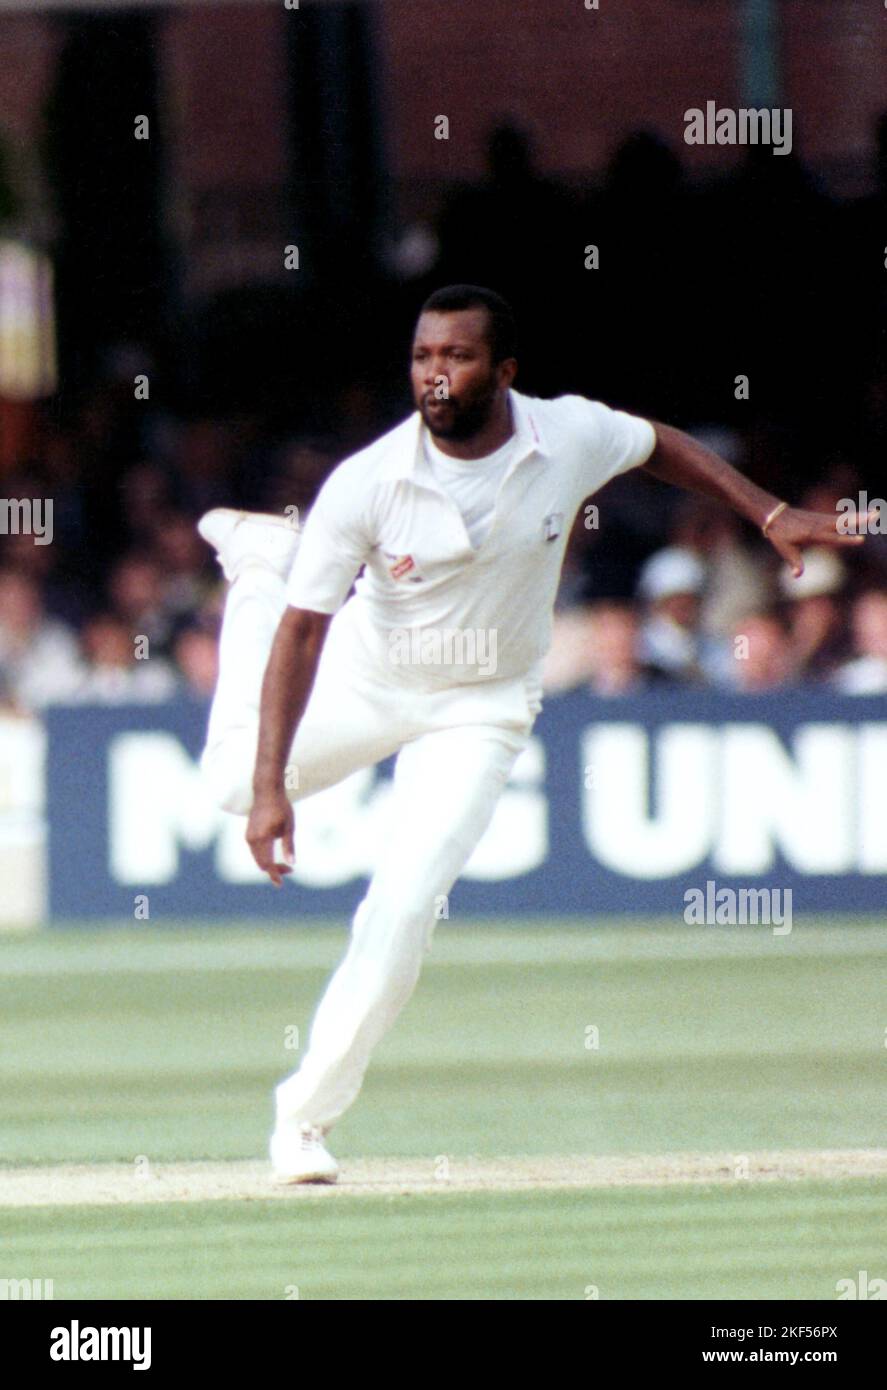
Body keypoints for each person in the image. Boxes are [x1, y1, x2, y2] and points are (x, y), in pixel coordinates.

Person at [196, 284, 868, 1184]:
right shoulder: (367, 480)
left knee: (402, 906)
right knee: (234, 785)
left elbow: (657, 445)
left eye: (456, 357)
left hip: (479, 708)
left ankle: (303, 1122)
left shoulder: (566, 433)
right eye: (423, 356)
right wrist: (275, 787)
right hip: (368, 671)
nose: (434, 375)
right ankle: (257, 570)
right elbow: (306, 635)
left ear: (504, 371)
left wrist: (767, 511)